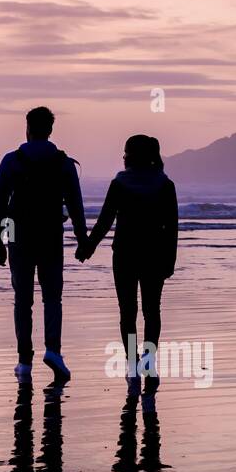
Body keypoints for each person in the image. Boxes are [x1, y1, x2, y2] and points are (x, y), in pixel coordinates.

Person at [78, 135, 178, 411]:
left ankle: (133, 364)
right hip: (155, 254)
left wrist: (88, 246)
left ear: (132, 156)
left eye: (125, 152)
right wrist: (170, 259)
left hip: (125, 254)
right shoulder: (165, 185)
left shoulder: (120, 183)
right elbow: (172, 228)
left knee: (128, 312)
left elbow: (105, 221)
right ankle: (149, 363)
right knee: (152, 311)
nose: (123, 156)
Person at [0, 106, 87, 382]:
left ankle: (24, 361)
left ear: (28, 127)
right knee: (52, 296)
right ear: (50, 130)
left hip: (18, 235)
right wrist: (82, 239)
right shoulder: (64, 163)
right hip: (50, 235)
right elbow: (76, 206)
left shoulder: (12, 161)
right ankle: (53, 351)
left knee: (22, 298)